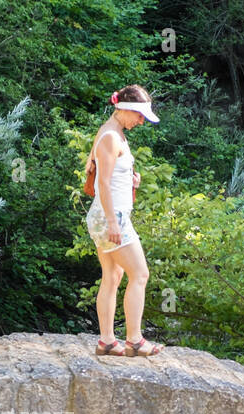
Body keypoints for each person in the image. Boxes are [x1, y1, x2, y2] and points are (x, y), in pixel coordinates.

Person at [84, 85, 164, 357]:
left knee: (113, 276)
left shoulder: (114, 133)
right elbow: (102, 183)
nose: (141, 122)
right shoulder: (110, 137)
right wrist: (112, 223)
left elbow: (110, 176)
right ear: (126, 109)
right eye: (140, 116)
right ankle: (135, 340)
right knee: (140, 274)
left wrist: (132, 180)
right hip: (110, 217)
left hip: (108, 216)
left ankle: (106, 340)